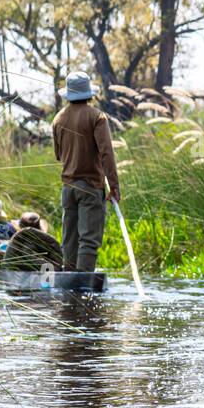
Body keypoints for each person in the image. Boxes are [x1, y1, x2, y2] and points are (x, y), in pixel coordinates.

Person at [52, 71, 120, 273]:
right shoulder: (97, 117)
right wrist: (114, 185)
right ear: (89, 93)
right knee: (88, 241)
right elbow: (106, 153)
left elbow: (58, 155)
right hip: (91, 187)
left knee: (69, 240)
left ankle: (69, 288)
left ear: (68, 94)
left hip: (68, 188)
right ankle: (83, 289)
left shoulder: (58, 119)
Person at [0, 212, 64, 271]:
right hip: (49, 274)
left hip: (17, 276)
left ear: (20, 228)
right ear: (40, 228)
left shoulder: (14, 243)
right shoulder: (49, 242)